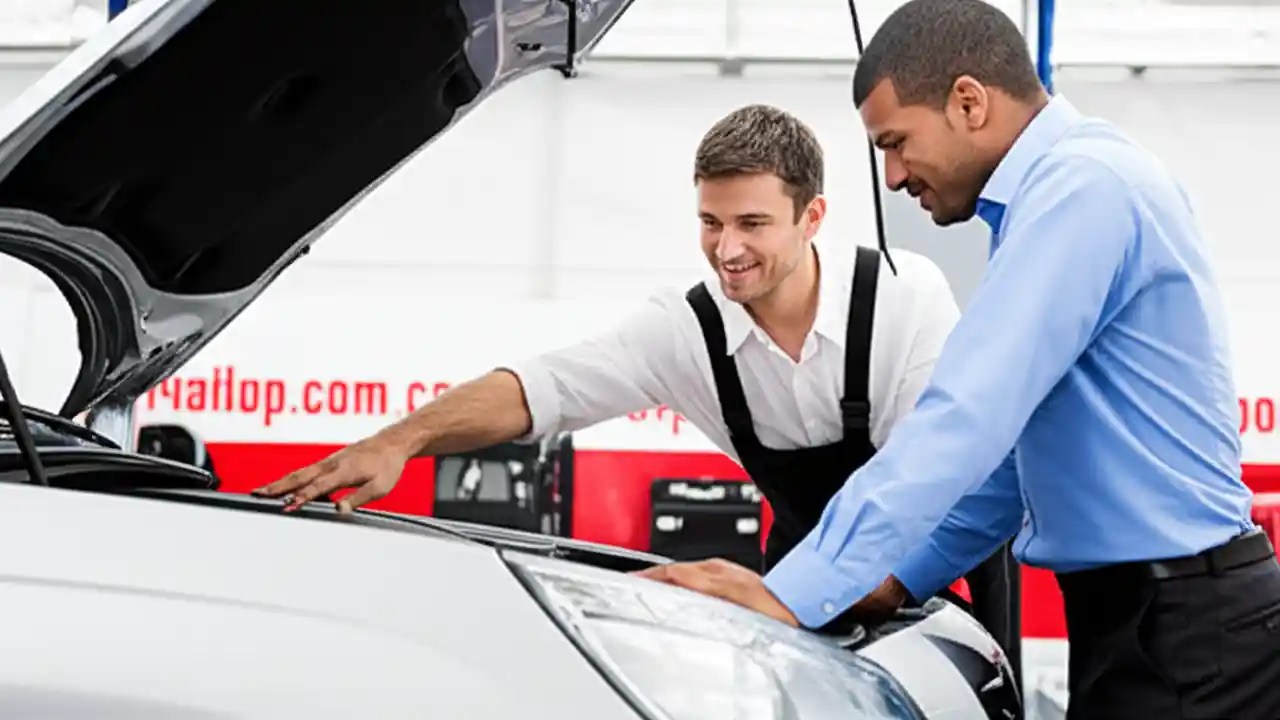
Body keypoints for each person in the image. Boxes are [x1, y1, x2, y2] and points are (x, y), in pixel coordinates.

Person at [636, 0, 1280, 717]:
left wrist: (793, 590)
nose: (891, 176)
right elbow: (1005, 467)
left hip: (1188, 631)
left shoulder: (1085, 189)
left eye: (897, 141)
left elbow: (968, 414)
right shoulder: (1056, 200)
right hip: (1147, 621)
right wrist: (893, 578)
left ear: (969, 102)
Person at [251, 103, 1022, 665]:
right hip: (800, 578)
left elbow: (927, 500)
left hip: (934, 581)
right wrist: (401, 440)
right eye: (710, 223)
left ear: (812, 216)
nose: (726, 250)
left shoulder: (903, 298)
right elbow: (540, 389)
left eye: (752, 224)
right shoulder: (687, 329)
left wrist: (791, 596)